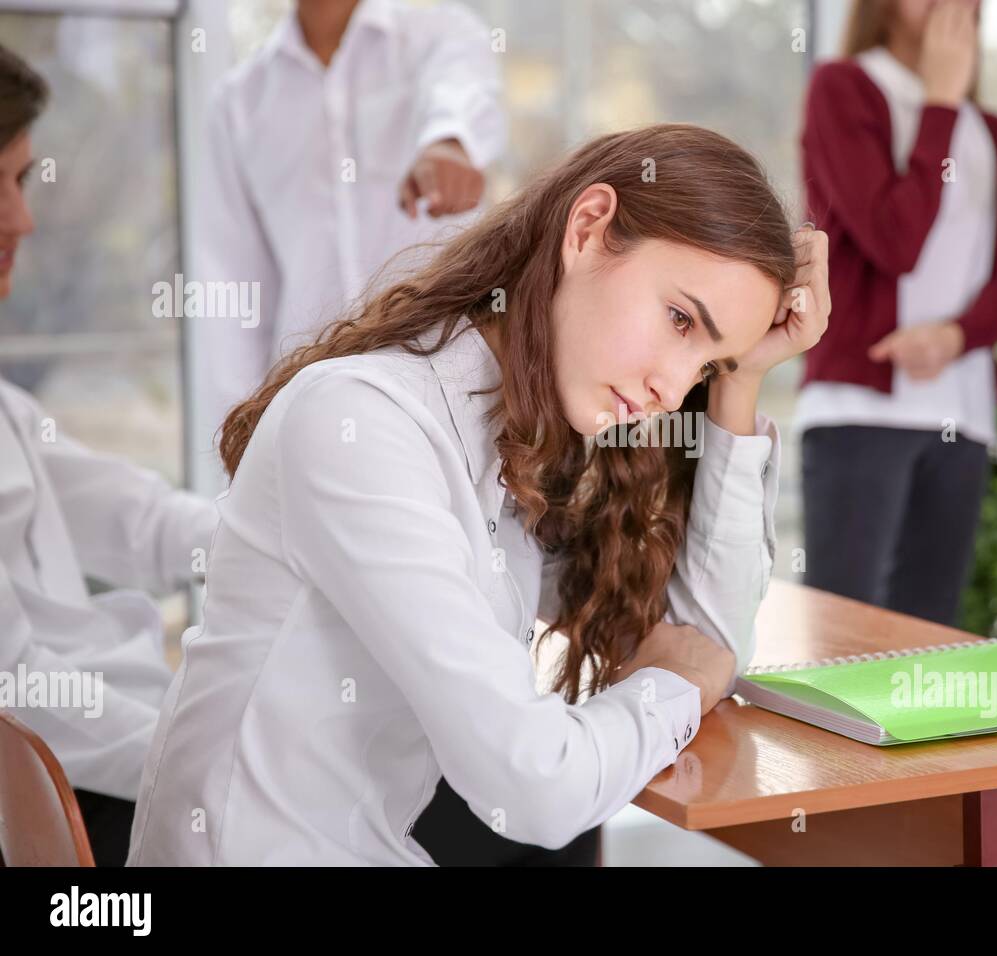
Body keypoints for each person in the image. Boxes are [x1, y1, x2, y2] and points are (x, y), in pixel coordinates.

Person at [126, 123, 830, 866]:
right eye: (680, 319)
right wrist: (679, 684)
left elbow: (706, 638)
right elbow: (536, 783)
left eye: (706, 365)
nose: (670, 388)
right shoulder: (363, 425)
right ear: (587, 229)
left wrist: (743, 382)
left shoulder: (508, 448)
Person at [0, 42, 217, 867]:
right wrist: (207, 762)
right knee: (519, 828)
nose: (24, 218)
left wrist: (301, 541)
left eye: (23, 181)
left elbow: (142, 518)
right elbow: (17, 690)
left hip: (125, 755)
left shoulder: (8, 410)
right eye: (4, 182)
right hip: (85, 807)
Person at [192, 0, 507, 488]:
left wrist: (449, 142)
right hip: (311, 405)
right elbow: (232, 283)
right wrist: (240, 446)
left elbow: (462, 95)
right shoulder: (238, 103)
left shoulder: (440, 34)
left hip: (453, 388)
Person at [795, 0, 997, 625]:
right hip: (861, 407)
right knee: (842, 639)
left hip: (964, 413)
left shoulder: (992, 132)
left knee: (930, 640)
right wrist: (941, 102)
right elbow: (897, 239)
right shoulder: (843, 88)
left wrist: (957, 337)